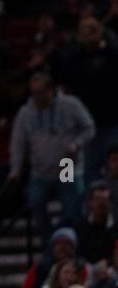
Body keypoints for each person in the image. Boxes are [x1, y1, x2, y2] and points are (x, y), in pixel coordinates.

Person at [9, 72, 95, 244]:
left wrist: (76, 144)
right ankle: (50, 242)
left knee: (72, 206)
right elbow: (18, 143)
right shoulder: (26, 112)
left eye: (40, 92)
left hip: (66, 163)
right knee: (35, 201)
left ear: (51, 90)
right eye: (33, 93)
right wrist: (15, 169)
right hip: (40, 168)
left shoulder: (71, 105)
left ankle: (67, 241)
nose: (37, 97)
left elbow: (89, 128)